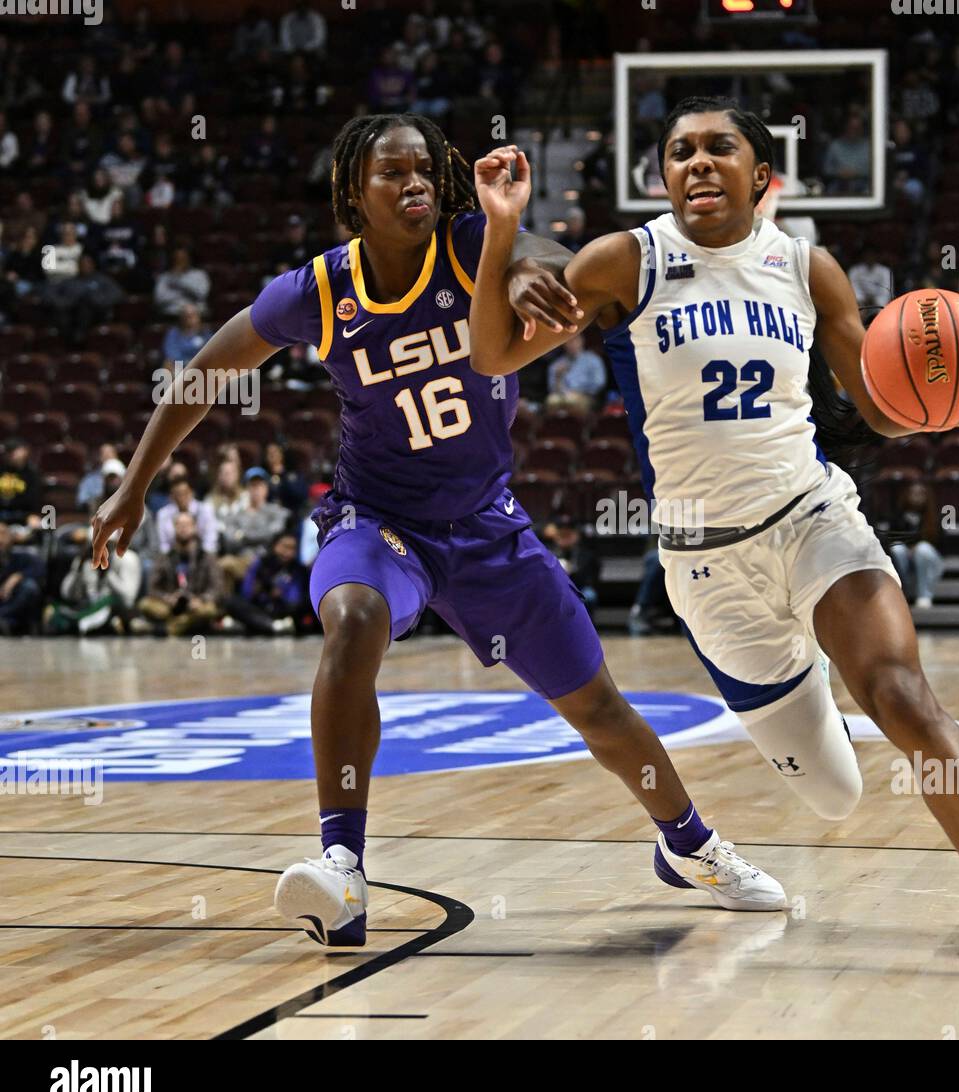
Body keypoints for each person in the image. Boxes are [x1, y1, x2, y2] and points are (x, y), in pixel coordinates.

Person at [93, 112, 784, 950]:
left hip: (487, 527)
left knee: (599, 708)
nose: (414, 182)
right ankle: (341, 868)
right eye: (393, 173)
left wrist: (533, 274)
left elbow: (559, 263)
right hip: (376, 521)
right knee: (351, 620)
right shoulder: (319, 289)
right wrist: (134, 486)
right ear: (355, 191)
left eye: (424, 169)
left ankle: (690, 846)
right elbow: (203, 374)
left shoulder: (468, 242)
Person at [469, 95, 959, 987]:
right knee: (836, 797)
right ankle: (801, 707)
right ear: (663, 175)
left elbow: (877, 408)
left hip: (811, 515)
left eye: (719, 148)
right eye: (679, 151)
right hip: (704, 563)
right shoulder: (627, 260)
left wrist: (948, 409)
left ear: (762, 177)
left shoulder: (808, 268)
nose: (696, 163)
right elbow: (492, 355)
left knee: (902, 694)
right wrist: (503, 233)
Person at [133, 511, 224, 637]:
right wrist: (167, 598)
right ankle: (184, 626)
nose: (183, 528)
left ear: (194, 528)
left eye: (187, 525)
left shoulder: (206, 557)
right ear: (174, 528)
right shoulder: (165, 557)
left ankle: (169, 628)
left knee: (209, 609)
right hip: (171, 605)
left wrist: (201, 599)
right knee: (145, 604)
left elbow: (216, 588)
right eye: (179, 525)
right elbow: (153, 587)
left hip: (196, 605)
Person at [46, 526, 142, 636]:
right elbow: (67, 594)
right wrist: (77, 570)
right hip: (90, 606)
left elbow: (128, 599)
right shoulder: (87, 560)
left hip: (117, 608)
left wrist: (108, 573)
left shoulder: (128, 559)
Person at [223, 531, 311, 635]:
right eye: (285, 547)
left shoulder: (299, 569)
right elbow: (246, 592)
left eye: (292, 549)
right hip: (261, 608)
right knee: (231, 602)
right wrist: (257, 590)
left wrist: (279, 594)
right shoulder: (261, 564)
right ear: (275, 546)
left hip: (285, 611)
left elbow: (295, 599)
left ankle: (261, 625)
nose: (288, 552)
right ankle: (273, 626)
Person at [882, 481, 944, 609]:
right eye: (913, 493)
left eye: (921, 493)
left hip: (928, 560)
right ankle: (901, 591)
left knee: (923, 549)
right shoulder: (898, 515)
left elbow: (941, 544)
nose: (917, 496)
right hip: (906, 558)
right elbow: (891, 538)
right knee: (897, 549)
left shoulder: (935, 516)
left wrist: (916, 546)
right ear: (907, 495)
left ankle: (924, 595)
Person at [540, 514, 599, 610]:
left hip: (579, 588)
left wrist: (572, 571)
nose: (565, 537)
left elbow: (591, 580)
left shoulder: (585, 554)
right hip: (555, 589)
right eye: (562, 534)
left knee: (589, 595)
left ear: (576, 534)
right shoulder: (548, 552)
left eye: (568, 534)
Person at [0, 521, 43, 636]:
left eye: (3, 534)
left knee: (30, 587)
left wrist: (17, 576)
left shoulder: (21, 556)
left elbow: (39, 569)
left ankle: (5, 619)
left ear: (11, 538)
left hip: (13, 605)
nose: (0, 539)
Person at [156, 478, 220, 555]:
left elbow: (211, 540)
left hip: (201, 555)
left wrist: (204, 556)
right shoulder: (163, 514)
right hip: (173, 556)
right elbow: (163, 545)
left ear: (191, 493)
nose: (182, 497)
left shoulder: (205, 510)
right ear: (172, 496)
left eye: (185, 493)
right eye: (178, 494)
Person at [544, 335, 606, 412]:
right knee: (552, 401)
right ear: (563, 344)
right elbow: (552, 389)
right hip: (563, 395)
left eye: (574, 340)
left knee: (572, 401)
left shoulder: (593, 359)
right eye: (568, 341)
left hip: (586, 395)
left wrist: (578, 391)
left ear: (582, 341)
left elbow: (599, 383)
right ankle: (555, 424)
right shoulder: (557, 364)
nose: (572, 344)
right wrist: (558, 377)